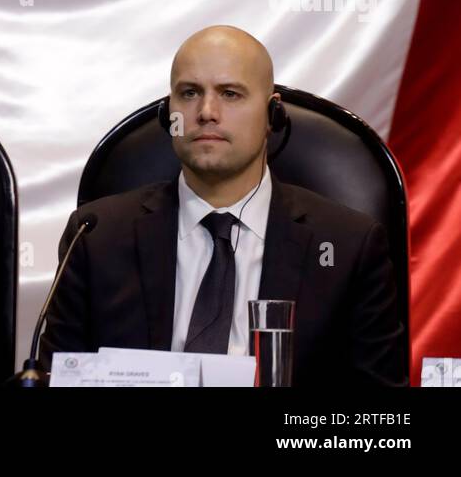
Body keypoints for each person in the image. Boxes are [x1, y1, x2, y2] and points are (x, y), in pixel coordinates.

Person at [39, 26, 408, 386]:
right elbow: (56, 376)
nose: (206, 111)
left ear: (272, 116)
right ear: (169, 115)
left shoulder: (349, 247)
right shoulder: (95, 237)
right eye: (189, 93)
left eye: (230, 94)